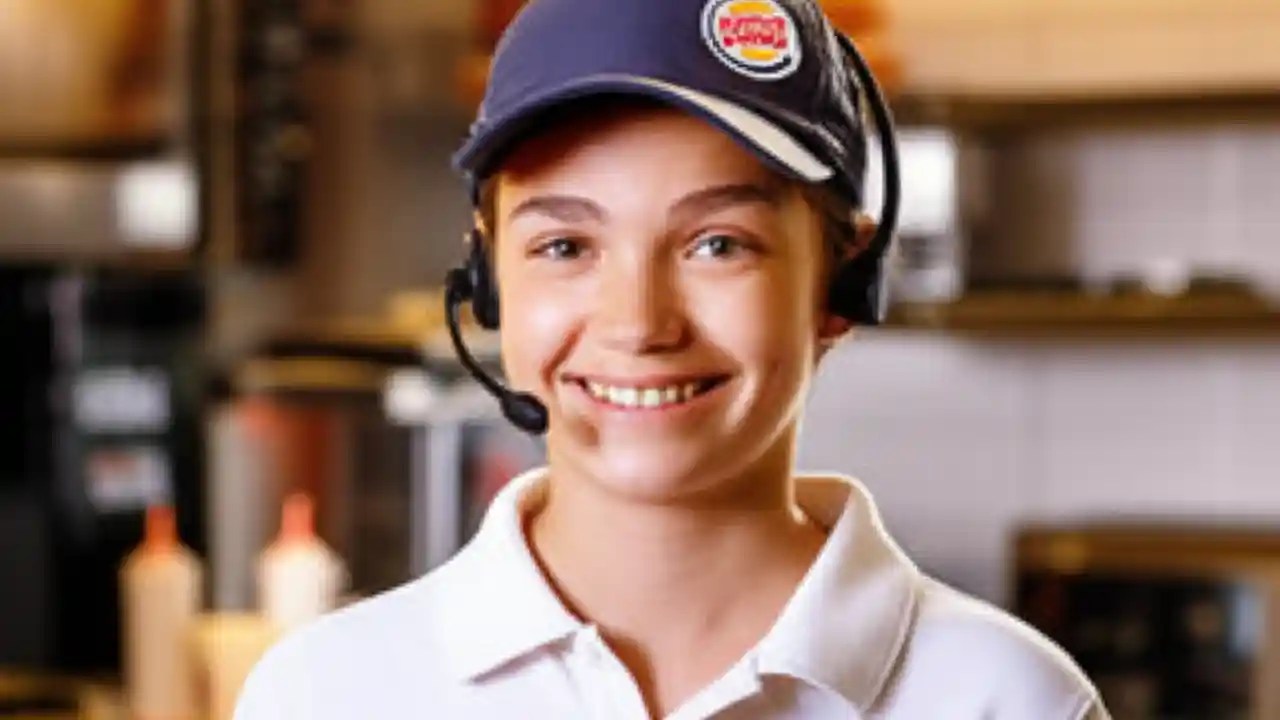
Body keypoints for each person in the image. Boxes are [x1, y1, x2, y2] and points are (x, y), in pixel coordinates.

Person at [234, 0, 1110, 718]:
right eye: (566, 247)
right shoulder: (326, 695)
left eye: (717, 244)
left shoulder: (1009, 701)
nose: (639, 324)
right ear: (489, 283)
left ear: (842, 283)